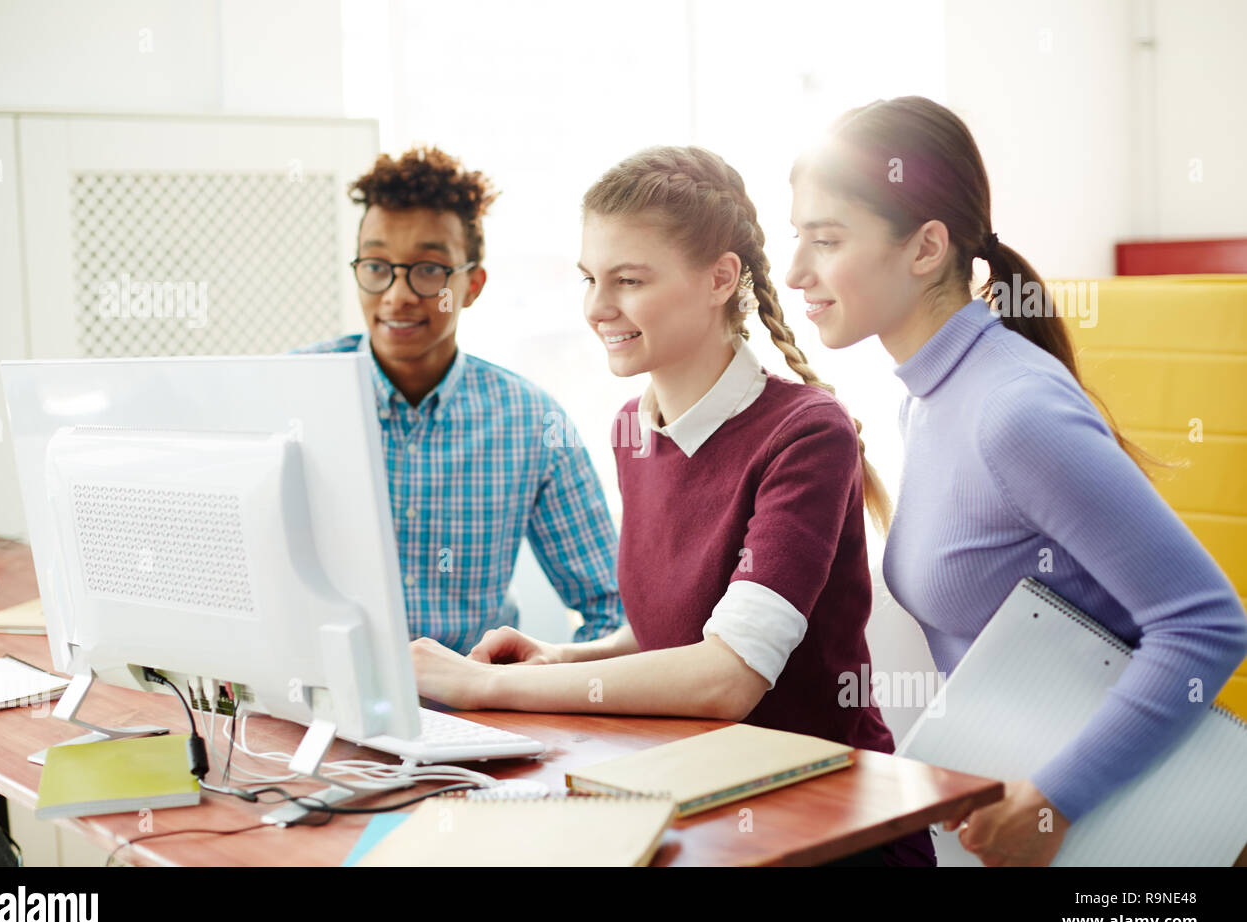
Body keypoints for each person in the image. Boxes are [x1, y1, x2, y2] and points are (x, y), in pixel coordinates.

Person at [412, 145, 936, 867]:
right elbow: (680, 622)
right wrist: (568, 657)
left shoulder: (806, 434)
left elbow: (727, 676)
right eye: (591, 278)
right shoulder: (634, 427)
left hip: (825, 828)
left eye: (628, 280)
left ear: (721, 278)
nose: (598, 308)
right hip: (701, 803)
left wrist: (487, 687)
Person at [785, 95, 1247, 866]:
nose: (796, 269)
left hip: (1123, 834)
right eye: (797, 237)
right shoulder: (926, 401)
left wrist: (1052, 800)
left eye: (825, 239)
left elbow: (1206, 624)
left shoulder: (1012, 410)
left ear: (927, 248)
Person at [294, 145, 622, 653]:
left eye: (428, 269)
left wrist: (548, 691)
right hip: (313, 704)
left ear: (471, 285)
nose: (397, 295)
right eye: (377, 265)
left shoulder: (529, 421)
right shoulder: (295, 392)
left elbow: (613, 608)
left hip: (471, 712)